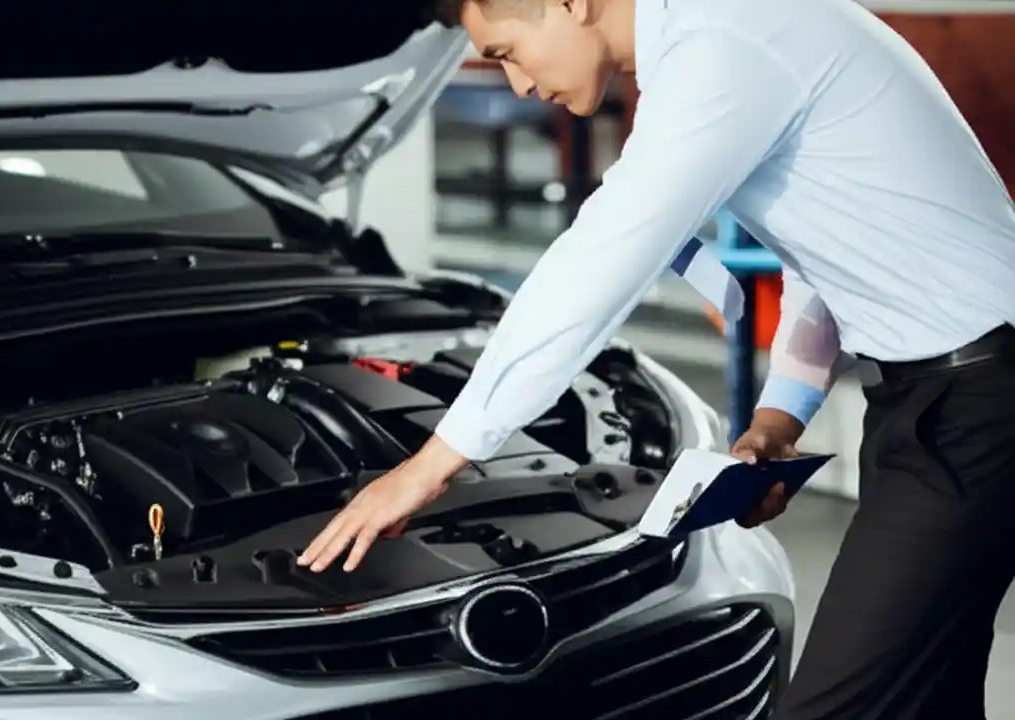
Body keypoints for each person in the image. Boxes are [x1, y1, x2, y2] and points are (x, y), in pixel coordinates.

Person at [299, 0, 1015, 716]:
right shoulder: (719, 42)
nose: (517, 86)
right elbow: (826, 257)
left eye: (510, 51)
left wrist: (430, 467)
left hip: (979, 400)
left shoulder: (723, 44)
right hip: (943, 395)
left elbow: (600, 261)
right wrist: (778, 418)